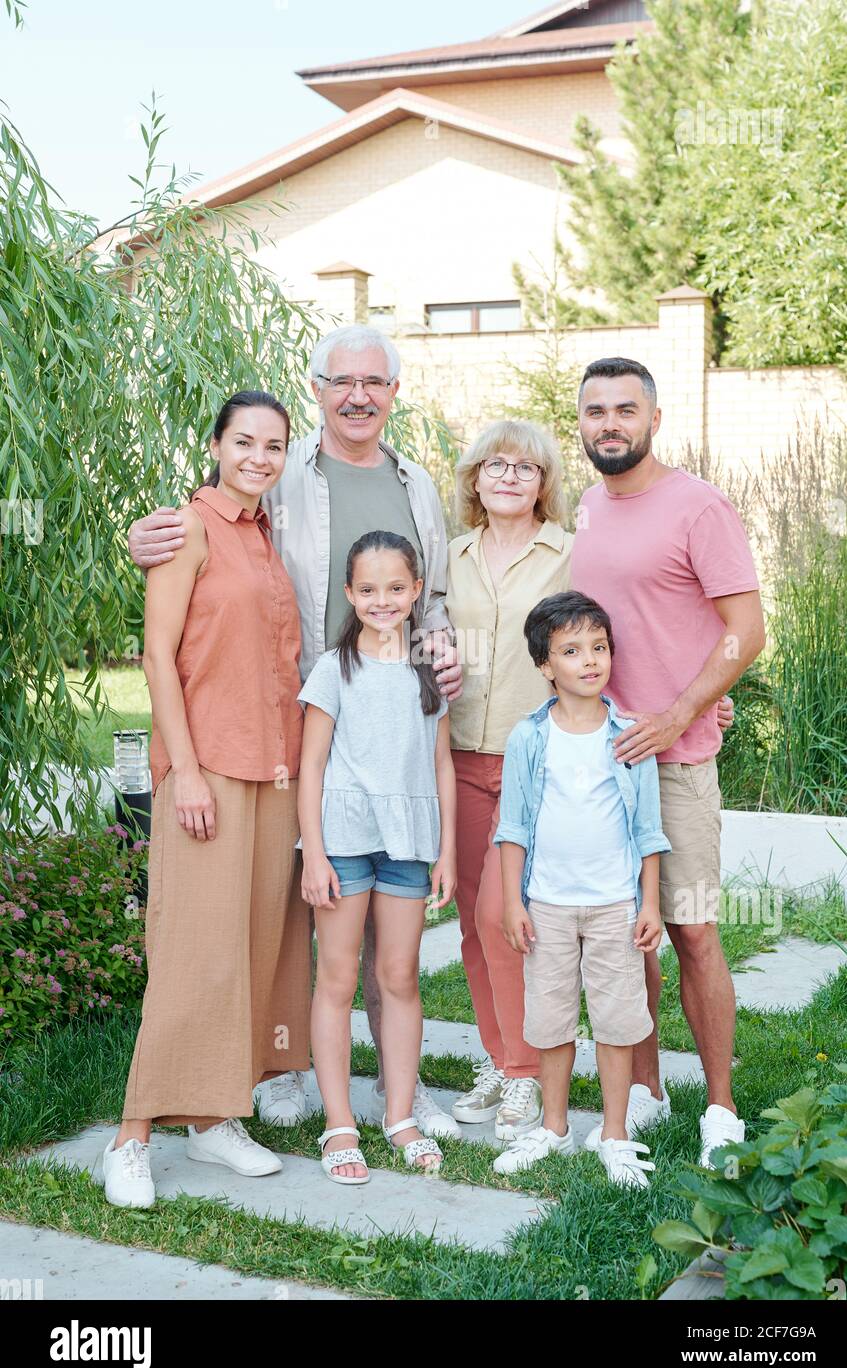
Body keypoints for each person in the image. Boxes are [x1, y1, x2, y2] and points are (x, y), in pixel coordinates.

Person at [127, 325, 462, 1140]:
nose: (358, 395)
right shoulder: (285, 473)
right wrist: (142, 536)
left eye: (374, 382)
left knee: (368, 908)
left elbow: (440, 591)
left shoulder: (417, 484)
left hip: (388, 707)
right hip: (300, 712)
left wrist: (441, 642)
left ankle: (395, 1090)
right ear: (318, 387)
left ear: (392, 393)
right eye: (342, 380)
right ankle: (282, 1071)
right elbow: (210, 531)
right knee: (303, 896)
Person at [97, 391, 308, 1209]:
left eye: (275, 445)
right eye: (245, 442)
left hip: (273, 770)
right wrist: (181, 770)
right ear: (217, 444)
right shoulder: (186, 529)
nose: (259, 457)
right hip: (207, 769)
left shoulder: (264, 537)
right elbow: (155, 656)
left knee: (256, 946)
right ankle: (131, 1136)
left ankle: (214, 1116)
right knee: (193, 951)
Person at [570, 357, 765, 1167]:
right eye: (594, 411)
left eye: (624, 409)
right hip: (601, 763)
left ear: (654, 418)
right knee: (624, 938)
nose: (608, 424)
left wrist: (683, 710)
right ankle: (646, 1091)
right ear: (579, 422)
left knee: (692, 930)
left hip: (677, 762)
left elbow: (745, 630)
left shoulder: (698, 507)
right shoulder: (585, 507)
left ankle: (719, 1104)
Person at [492, 592, 671, 1186]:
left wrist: (650, 901)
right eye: (571, 651)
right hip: (547, 903)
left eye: (598, 648)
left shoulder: (629, 738)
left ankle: (615, 1133)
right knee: (550, 1017)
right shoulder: (528, 740)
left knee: (619, 1017)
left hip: (615, 905)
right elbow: (512, 827)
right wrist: (512, 900)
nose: (589, 661)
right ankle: (554, 1127)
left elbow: (648, 831)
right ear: (546, 665)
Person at [298, 532, 456, 1182]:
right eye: (368, 589)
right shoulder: (334, 669)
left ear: (416, 590)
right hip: (344, 839)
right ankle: (339, 1124)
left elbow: (442, 763)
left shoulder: (428, 670)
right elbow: (310, 766)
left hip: (408, 846)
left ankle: (399, 1114)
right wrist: (313, 853)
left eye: (396, 588)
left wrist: (446, 851)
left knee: (399, 979)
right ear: (348, 594)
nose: (383, 600)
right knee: (336, 979)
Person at [445, 420, 573, 1140]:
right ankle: (498, 1058)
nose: (508, 477)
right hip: (460, 755)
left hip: (534, 762)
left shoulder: (569, 555)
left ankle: (526, 1072)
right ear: (474, 478)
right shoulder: (450, 555)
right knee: (470, 920)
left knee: (507, 917)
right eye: (495, 464)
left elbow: (595, 643)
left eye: (525, 467)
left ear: (544, 483)